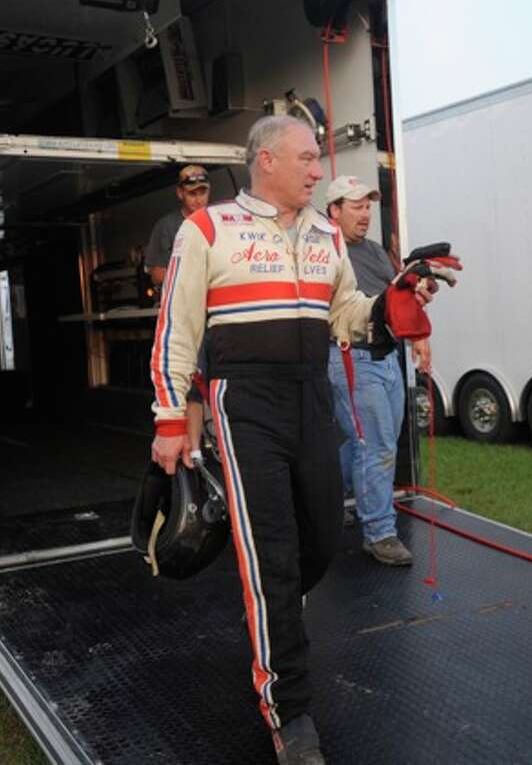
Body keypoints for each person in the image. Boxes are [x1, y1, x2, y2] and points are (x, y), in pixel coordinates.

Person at [149, 115, 444, 764]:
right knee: (274, 561)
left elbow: (347, 318)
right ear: (266, 161)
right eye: (308, 158)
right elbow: (174, 332)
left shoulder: (325, 234)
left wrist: (396, 298)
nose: (317, 170)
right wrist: (172, 418)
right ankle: (290, 708)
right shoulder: (207, 230)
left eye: (317, 159)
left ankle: (269, 596)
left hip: (312, 394)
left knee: (320, 540)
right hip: (243, 401)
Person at [323, 176, 429, 567]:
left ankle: (327, 499)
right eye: (356, 206)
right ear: (333, 211)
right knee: (377, 444)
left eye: (368, 206)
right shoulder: (323, 251)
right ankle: (380, 533)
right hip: (352, 356)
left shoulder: (376, 252)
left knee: (364, 441)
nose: (366, 214)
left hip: (387, 357)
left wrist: (418, 338)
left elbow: (396, 300)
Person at [143, 164, 211, 287]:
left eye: (202, 193)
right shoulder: (166, 227)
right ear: (180, 193)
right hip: (183, 301)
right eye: (192, 194)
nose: (198, 200)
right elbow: (157, 275)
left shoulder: (219, 222)